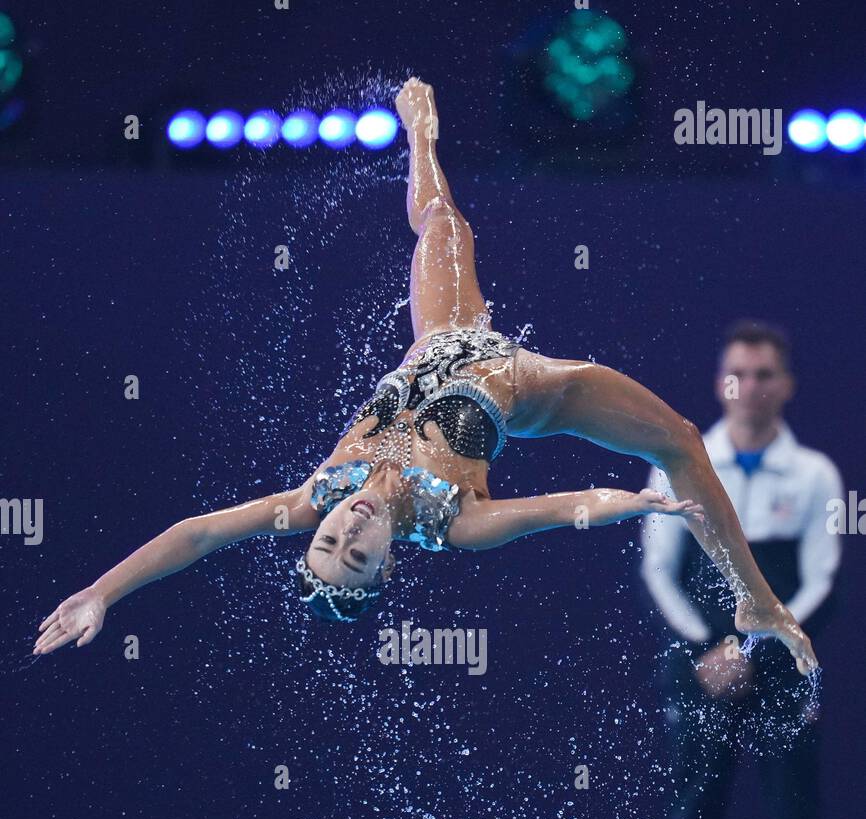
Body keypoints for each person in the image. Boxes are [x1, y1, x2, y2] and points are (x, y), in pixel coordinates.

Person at [35, 81, 813, 675]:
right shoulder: (453, 523)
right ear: (386, 562)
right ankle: (756, 600)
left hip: (445, 336)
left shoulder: (315, 496)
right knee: (679, 439)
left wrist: (101, 591)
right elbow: (563, 508)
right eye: (360, 551)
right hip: (530, 384)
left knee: (442, 222)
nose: (352, 527)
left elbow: (198, 533)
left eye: (333, 539)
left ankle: (419, 130)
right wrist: (632, 503)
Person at [622, 320, 861, 819]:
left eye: (764, 376)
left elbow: (820, 582)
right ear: (720, 383)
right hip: (699, 668)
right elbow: (659, 575)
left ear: (784, 386)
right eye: (738, 375)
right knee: (691, 817)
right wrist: (711, 646)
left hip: (783, 668)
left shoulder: (815, 475)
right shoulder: (677, 461)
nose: (750, 388)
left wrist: (756, 646)